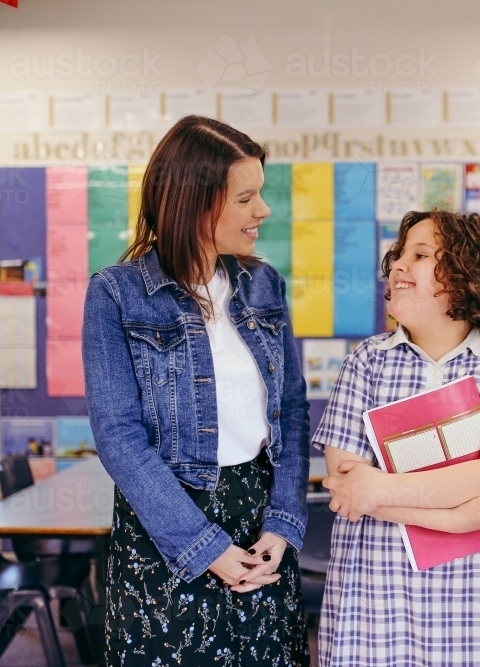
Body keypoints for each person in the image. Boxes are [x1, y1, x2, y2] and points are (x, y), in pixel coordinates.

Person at [82, 115, 310, 666]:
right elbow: (119, 438)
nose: (263, 211)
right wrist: (205, 549)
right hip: (169, 529)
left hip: (260, 527)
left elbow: (293, 411)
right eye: (246, 198)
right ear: (195, 202)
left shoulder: (264, 285)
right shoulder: (116, 294)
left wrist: (282, 523)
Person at [313, 209, 480, 666]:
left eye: (421, 255)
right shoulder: (366, 362)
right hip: (374, 592)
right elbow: (345, 484)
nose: (399, 265)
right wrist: (455, 515)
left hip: (474, 597)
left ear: (467, 278)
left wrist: (380, 489)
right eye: (399, 255)